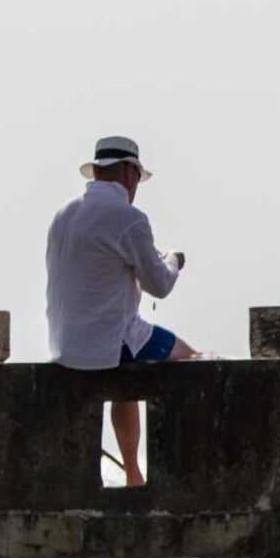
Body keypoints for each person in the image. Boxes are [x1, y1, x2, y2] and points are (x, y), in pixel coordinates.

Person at [45, 135, 200, 486]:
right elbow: (159, 284)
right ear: (129, 174)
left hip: (65, 345)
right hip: (109, 340)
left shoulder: (63, 217)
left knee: (126, 377)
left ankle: (134, 472)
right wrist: (174, 260)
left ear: (98, 172)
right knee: (194, 358)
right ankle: (165, 471)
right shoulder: (129, 218)